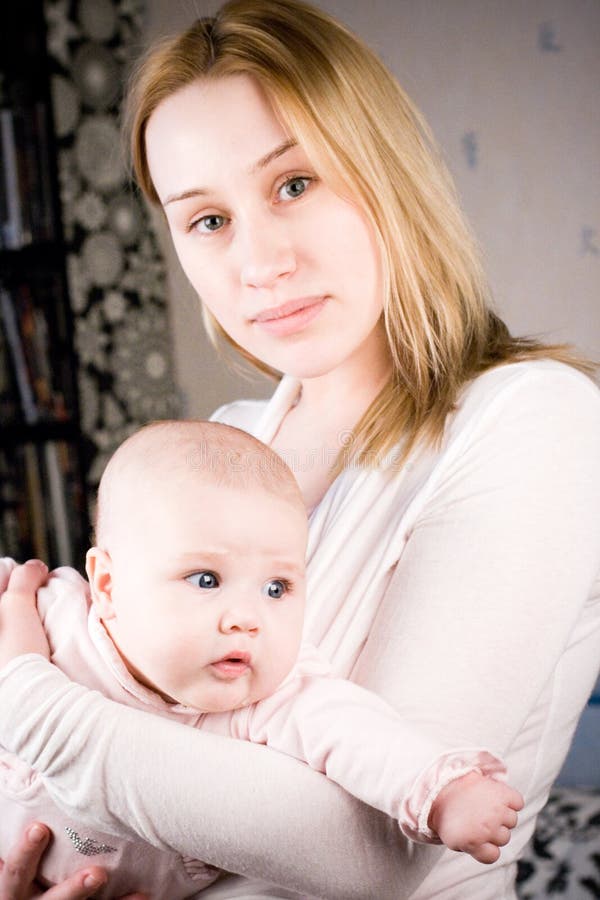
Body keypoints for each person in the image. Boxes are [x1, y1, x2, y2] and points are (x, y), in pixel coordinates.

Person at [0, 0, 599, 897]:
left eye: (294, 184)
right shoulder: (229, 445)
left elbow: (378, 855)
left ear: (386, 170)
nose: (260, 263)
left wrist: (28, 704)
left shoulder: (533, 417)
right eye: (208, 220)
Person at [0, 419, 522, 898]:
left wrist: (444, 793)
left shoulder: (271, 701)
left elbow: (362, 736)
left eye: (277, 587)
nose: (247, 618)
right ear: (108, 584)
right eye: (207, 580)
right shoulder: (54, 615)